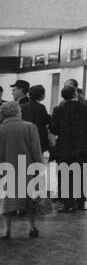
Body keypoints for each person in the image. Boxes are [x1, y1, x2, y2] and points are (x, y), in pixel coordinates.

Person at [0, 100, 45, 239]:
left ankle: (7, 230)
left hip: (7, 169)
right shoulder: (30, 127)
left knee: (7, 200)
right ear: (18, 111)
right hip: (28, 169)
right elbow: (36, 150)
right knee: (30, 199)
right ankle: (32, 227)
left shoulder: (1, 129)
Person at [51, 85, 87, 212]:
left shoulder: (58, 109)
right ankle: (81, 203)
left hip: (64, 147)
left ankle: (67, 204)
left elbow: (53, 128)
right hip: (83, 147)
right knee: (81, 174)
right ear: (75, 94)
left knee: (65, 175)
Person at [25, 84, 53, 158]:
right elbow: (46, 120)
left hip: (26, 135)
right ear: (42, 95)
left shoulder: (23, 106)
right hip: (38, 136)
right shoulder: (41, 107)